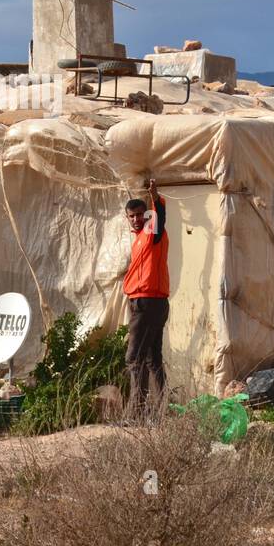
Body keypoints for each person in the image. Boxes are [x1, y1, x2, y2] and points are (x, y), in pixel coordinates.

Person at [123, 178, 169, 417]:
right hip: (152, 302)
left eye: (140, 214)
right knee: (152, 358)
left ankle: (136, 414)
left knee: (134, 358)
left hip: (148, 301)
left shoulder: (153, 233)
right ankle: (162, 411)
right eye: (131, 216)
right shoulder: (139, 239)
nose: (136, 219)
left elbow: (159, 216)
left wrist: (155, 196)